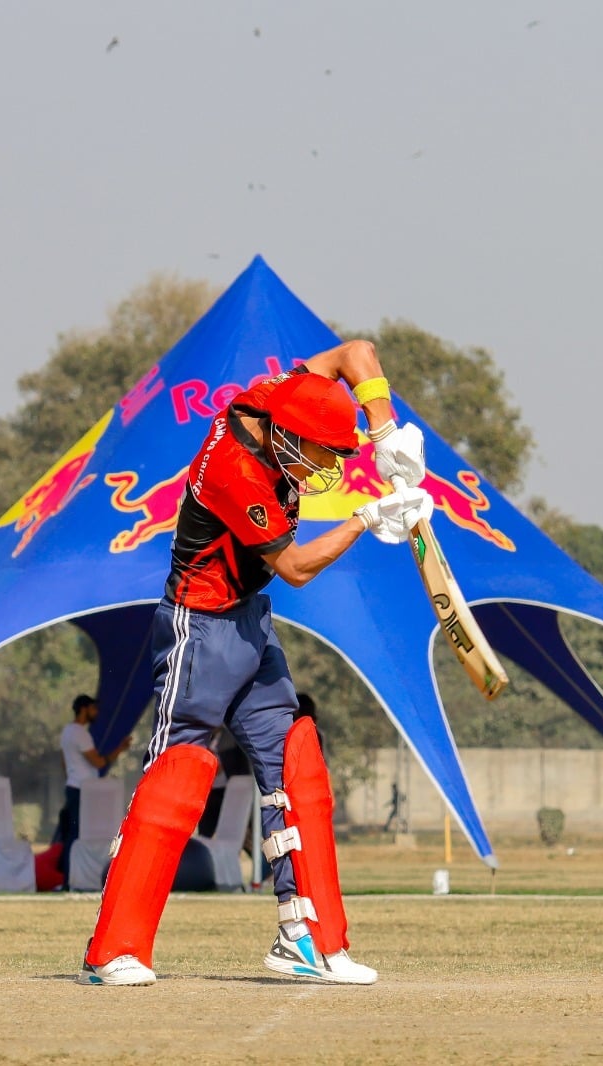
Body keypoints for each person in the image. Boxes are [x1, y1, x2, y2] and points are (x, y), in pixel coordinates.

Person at [78, 339, 429, 987]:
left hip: (248, 619)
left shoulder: (272, 401)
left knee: (296, 764)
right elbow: (294, 568)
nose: (329, 464)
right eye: (323, 454)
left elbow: (356, 351)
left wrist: (382, 433)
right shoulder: (235, 472)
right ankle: (112, 949)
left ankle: (307, 940)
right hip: (199, 624)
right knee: (176, 770)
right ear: (288, 443)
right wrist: (366, 518)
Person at [56, 693, 131, 888]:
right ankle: (73, 881)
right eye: (93, 708)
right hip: (84, 791)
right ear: (83, 709)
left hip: (73, 786)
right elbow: (97, 761)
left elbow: (64, 762)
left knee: (73, 835)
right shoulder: (81, 733)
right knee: (79, 835)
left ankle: (69, 879)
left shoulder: (66, 732)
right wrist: (120, 749)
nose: (96, 712)